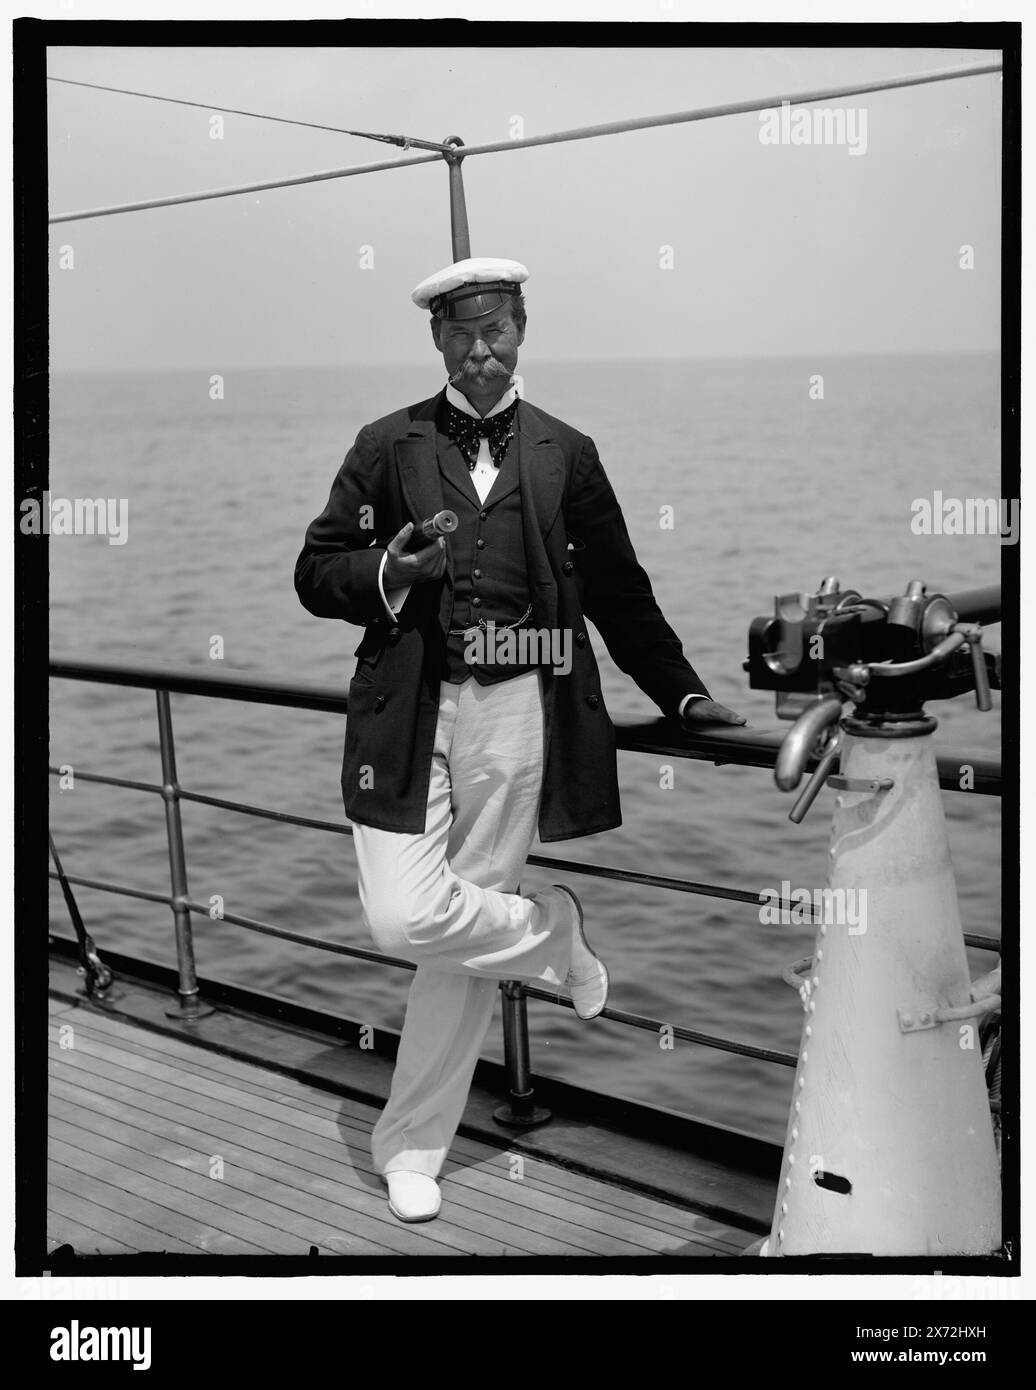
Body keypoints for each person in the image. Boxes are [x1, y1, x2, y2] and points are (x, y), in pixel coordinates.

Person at [294, 256, 745, 1223]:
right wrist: (391, 570)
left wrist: (684, 695)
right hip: (411, 706)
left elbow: (620, 589)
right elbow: (315, 571)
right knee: (401, 919)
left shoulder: (564, 452)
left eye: (496, 327)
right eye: (461, 331)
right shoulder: (389, 443)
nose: (480, 347)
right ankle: (552, 936)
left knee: (453, 949)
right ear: (436, 339)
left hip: (519, 710)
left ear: (523, 328)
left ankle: (411, 1147)